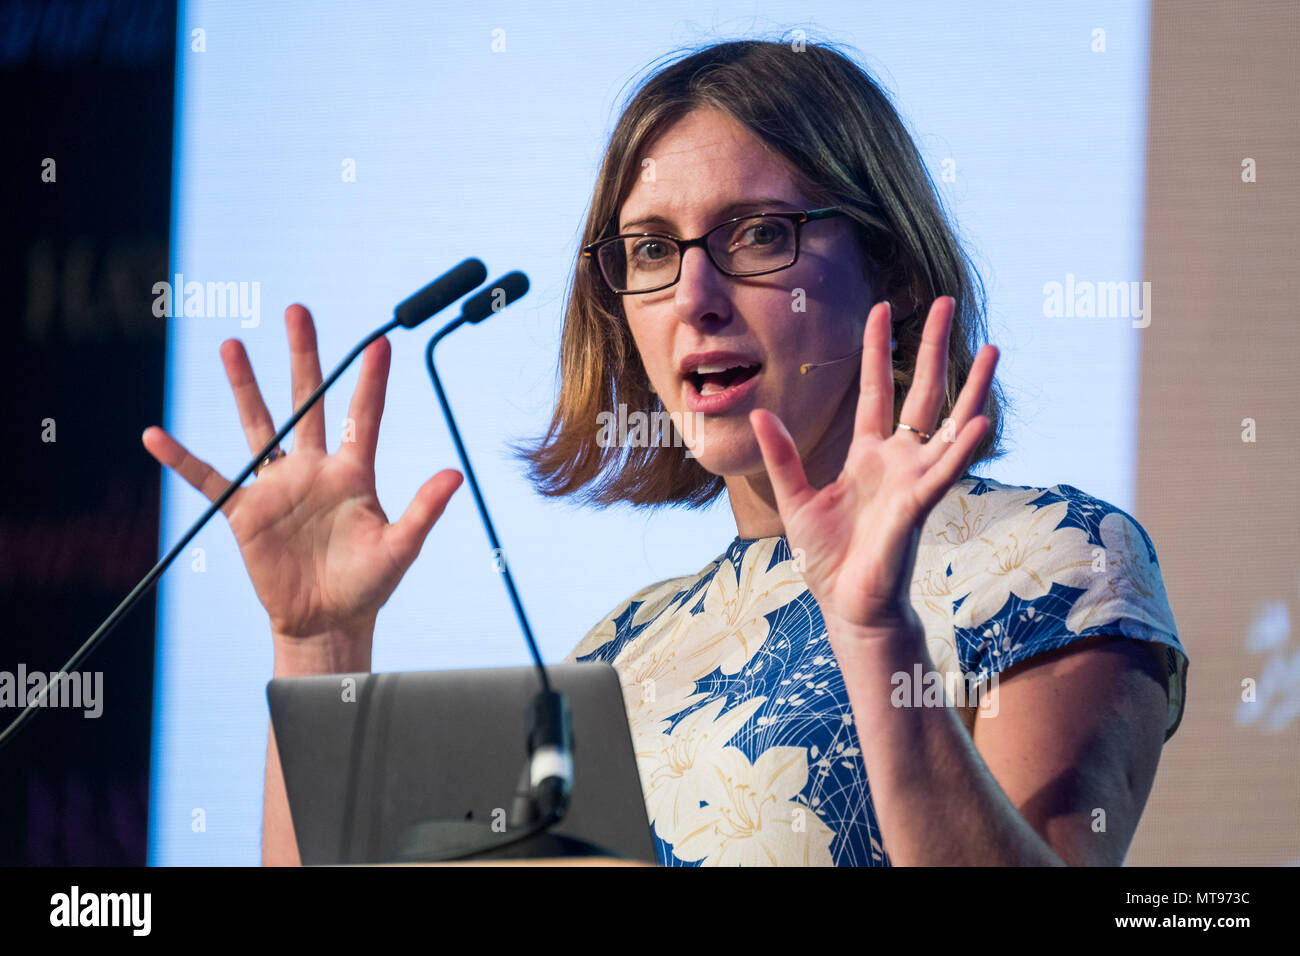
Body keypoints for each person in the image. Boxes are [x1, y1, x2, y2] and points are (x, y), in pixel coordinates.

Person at [143, 39, 1188, 867]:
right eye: (650, 249)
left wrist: (872, 630)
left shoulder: (1055, 555)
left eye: (757, 234)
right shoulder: (619, 647)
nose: (693, 297)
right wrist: (319, 644)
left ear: (894, 274)